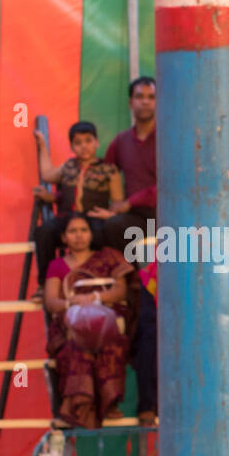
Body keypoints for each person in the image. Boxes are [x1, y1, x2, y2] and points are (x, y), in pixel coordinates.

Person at [101, 76, 159, 426]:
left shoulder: (170, 137)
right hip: (132, 238)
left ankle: (154, 405)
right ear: (130, 103)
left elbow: (166, 185)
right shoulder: (120, 143)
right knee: (137, 324)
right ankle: (139, 405)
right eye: (139, 97)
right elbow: (104, 174)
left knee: (155, 323)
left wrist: (126, 202)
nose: (146, 103)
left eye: (152, 97)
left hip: (167, 228)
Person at [42, 214, 134, 429]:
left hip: (105, 318)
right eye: (72, 231)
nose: (79, 236)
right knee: (76, 347)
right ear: (64, 238)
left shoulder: (109, 257)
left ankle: (109, 403)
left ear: (92, 234)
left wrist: (95, 299)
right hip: (72, 322)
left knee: (111, 343)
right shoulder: (57, 265)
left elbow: (121, 291)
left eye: (83, 230)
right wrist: (71, 304)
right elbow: (51, 301)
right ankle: (78, 406)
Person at [32, 121, 123, 285]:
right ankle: (45, 285)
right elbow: (47, 175)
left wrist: (110, 214)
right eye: (78, 143)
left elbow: (118, 203)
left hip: (93, 219)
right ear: (72, 147)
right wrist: (42, 145)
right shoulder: (68, 166)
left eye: (88, 141)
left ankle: (106, 284)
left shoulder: (109, 170)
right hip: (66, 219)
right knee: (43, 232)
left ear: (97, 142)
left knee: (104, 235)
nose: (84, 146)